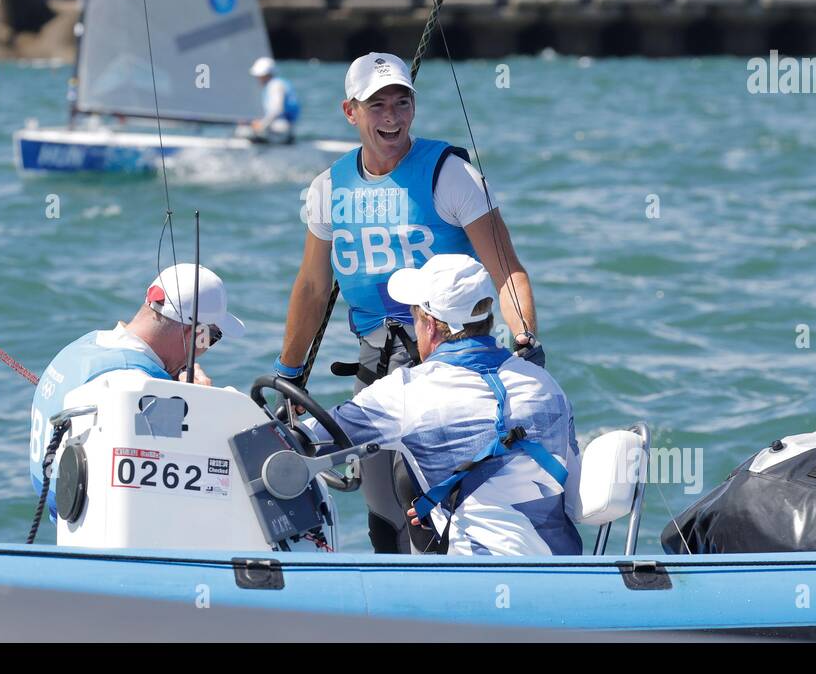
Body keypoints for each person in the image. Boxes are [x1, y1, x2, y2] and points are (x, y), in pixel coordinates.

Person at [274, 51, 543, 554]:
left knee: (425, 502)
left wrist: (526, 336)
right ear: (350, 112)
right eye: (377, 105)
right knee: (384, 517)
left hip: (445, 360)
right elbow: (312, 288)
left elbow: (507, 268)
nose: (392, 116)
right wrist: (288, 371)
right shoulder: (327, 188)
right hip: (376, 364)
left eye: (402, 102)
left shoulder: (451, 175)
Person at [306, 255, 580, 556]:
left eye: (414, 315)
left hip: (475, 582)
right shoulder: (545, 385)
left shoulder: (405, 392)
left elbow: (308, 440)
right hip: (559, 576)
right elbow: (568, 491)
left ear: (431, 326)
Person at [28, 263, 245, 522]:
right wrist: (199, 402)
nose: (206, 348)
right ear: (195, 332)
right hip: (99, 522)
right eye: (212, 338)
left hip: (63, 508)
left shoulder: (81, 346)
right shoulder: (135, 386)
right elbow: (206, 453)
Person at [247, 56, 299, 144]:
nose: (258, 78)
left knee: (243, 131)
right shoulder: (278, 83)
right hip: (285, 128)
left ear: (266, 75)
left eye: (260, 75)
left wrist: (261, 125)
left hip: (281, 128)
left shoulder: (275, 85)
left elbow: (276, 110)